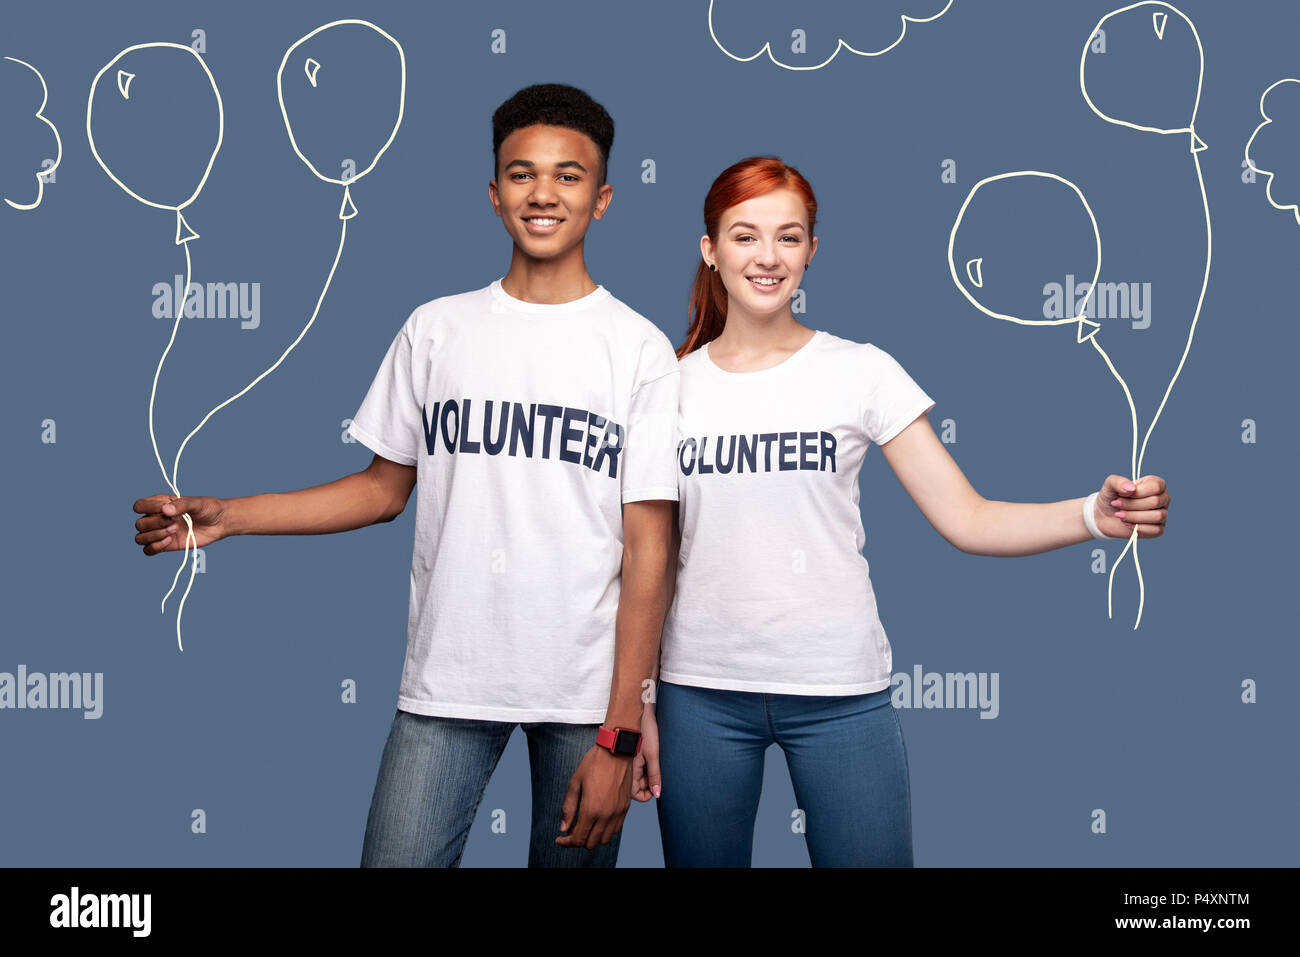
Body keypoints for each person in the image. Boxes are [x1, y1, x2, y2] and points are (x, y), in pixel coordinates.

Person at [133, 83, 680, 867]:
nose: (544, 192)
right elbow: (382, 490)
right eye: (522, 173)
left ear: (602, 197)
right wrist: (231, 515)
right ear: (495, 195)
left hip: (586, 694)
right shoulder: (437, 329)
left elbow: (650, 550)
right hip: (448, 675)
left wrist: (624, 726)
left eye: (569, 174)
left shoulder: (638, 350)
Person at [629, 156, 1171, 867]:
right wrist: (638, 700)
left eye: (789, 237)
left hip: (840, 691)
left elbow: (968, 517)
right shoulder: (665, 386)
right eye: (744, 236)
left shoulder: (861, 370)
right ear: (711, 249)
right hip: (698, 695)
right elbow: (647, 558)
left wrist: (1093, 517)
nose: (767, 257)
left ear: (812, 251)